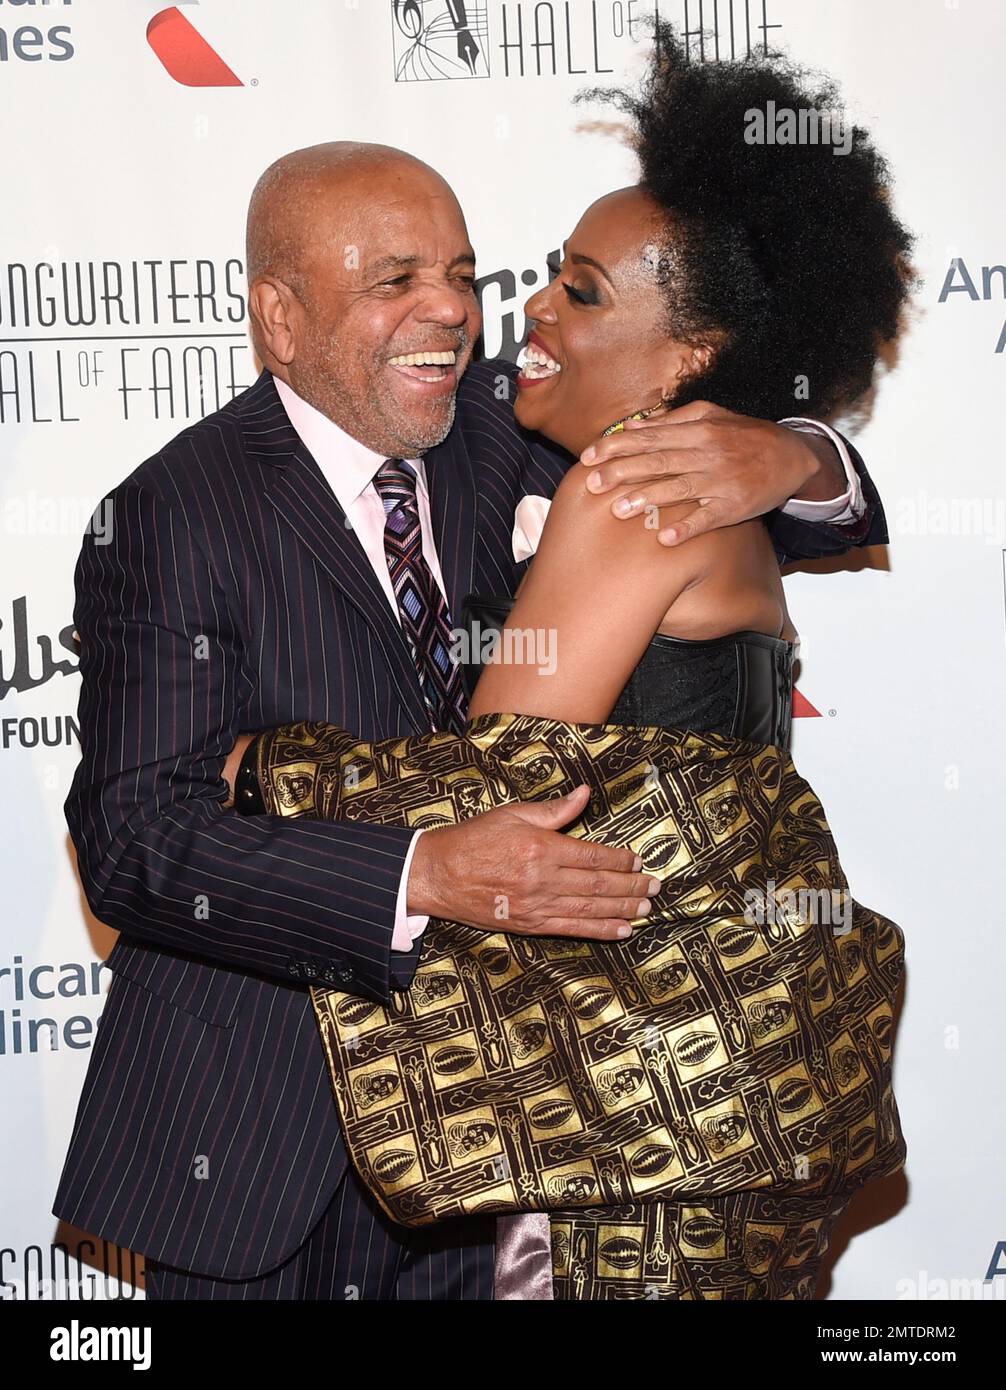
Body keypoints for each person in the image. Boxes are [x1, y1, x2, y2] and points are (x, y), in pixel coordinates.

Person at [56, 102, 887, 1298]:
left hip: (520, 1131)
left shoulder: (504, 417)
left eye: (459, 273)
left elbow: (683, 398)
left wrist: (799, 449)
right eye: (395, 280)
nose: (454, 311)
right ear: (279, 318)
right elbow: (133, 842)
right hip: (262, 1144)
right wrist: (415, 873)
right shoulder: (172, 513)